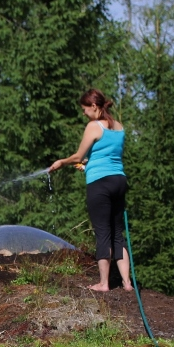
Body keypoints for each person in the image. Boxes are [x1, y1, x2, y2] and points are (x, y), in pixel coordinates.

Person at [49, 89, 131, 291]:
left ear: (94, 106)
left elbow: (77, 156)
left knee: (102, 232)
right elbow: (107, 155)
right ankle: (127, 283)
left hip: (100, 183)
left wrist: (62, 162)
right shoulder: (119, 127)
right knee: (117, 233)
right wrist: (89, 164)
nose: (84, 113)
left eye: (85, 109)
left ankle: (104, 283)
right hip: (119, 180)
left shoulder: (93, 127)